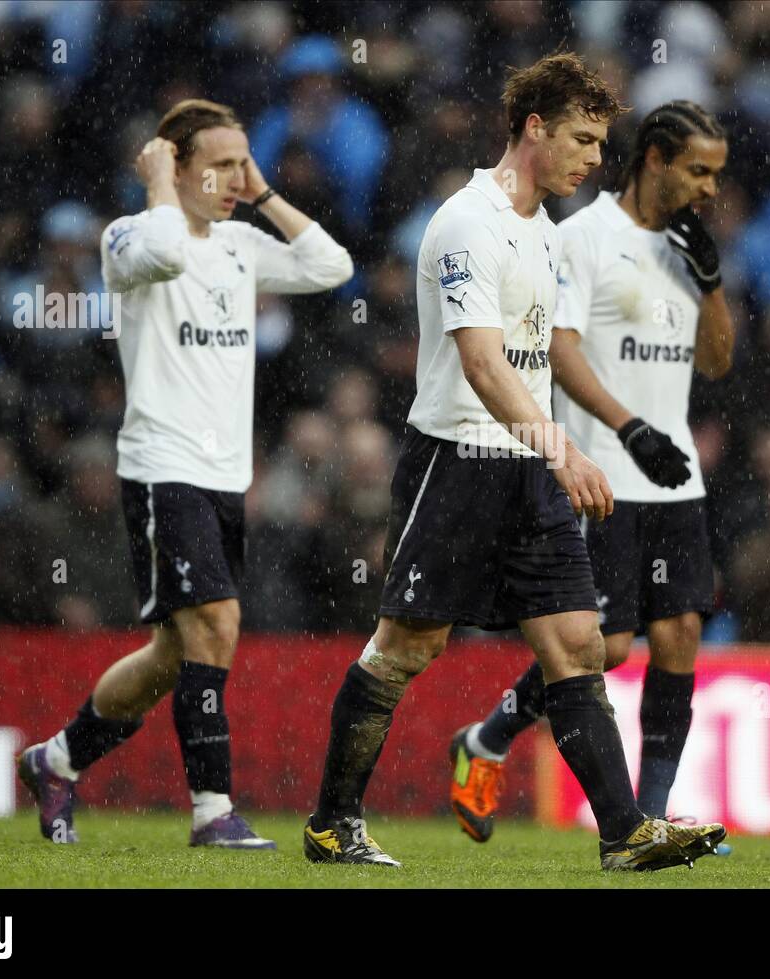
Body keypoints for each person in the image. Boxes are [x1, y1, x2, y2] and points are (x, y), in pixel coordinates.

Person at [301, 55, 725, 871]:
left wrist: (549, 457)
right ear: (534, 128)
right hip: (456, 462)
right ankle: (332, 821)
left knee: (580, 643)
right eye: (582, 139)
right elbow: (484, 365)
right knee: (405, 649)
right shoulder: (468, 221)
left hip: (528, 470)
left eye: (601, 142)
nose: (595, 159)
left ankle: (624, 833)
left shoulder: (540, 230)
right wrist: (566, 449)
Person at [17, 99, 352, 848]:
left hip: (226, 474)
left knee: (175, 652)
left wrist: (263, 193)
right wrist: (159, 188)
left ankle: (57, 758)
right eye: (223, 164)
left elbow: (332, 264)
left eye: (244, 161)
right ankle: (212, 810)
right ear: (175, 165)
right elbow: (166, 251)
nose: (236, 177)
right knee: (217, 622)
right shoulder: (131, 235)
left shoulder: (240, 243)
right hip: (162, 466)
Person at [447, 101, 735, 841]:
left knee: (678, 637)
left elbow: (717, 361)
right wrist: (626, 427)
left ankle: (653, 811)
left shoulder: (688, 245)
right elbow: (563, 350)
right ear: (656, 160)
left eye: (717, 174)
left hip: (676, 479)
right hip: (603, 468)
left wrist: (710, 283)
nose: (709, 188)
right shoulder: (582, 238)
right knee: (604, 646)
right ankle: (487, 738)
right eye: (698, 171)